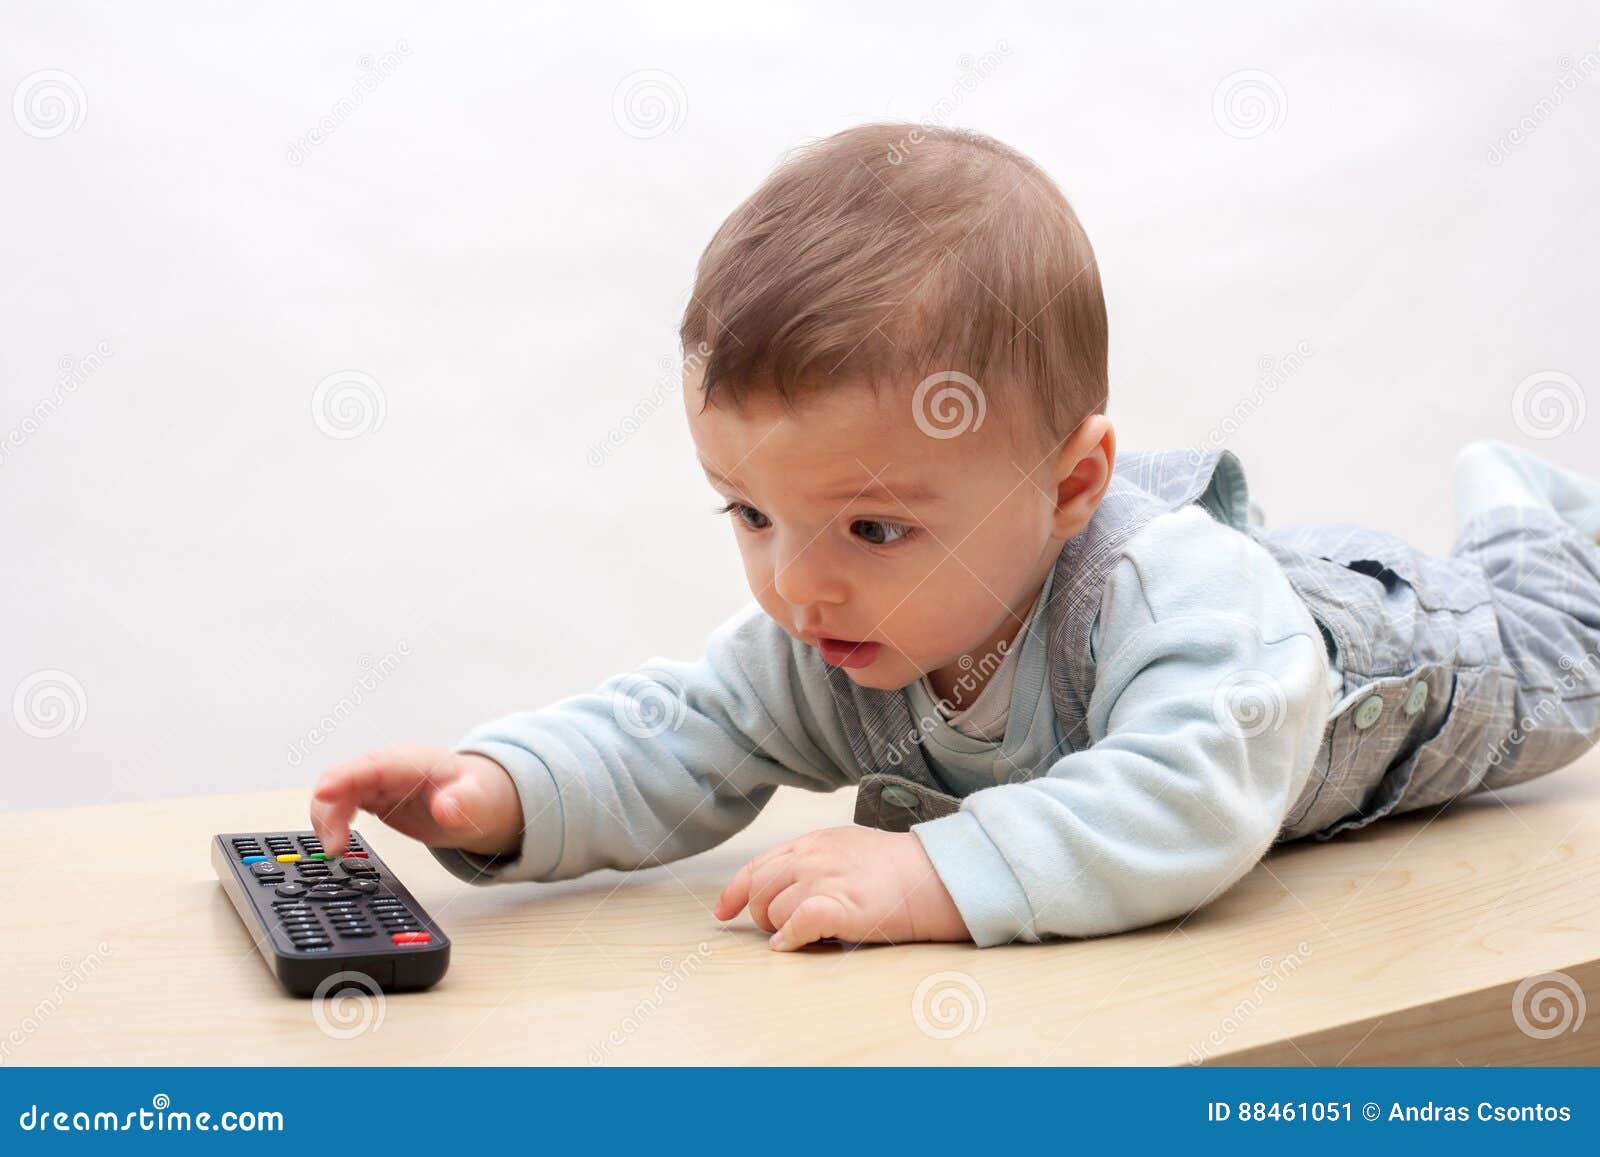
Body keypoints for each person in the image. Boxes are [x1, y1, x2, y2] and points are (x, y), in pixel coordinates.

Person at [309, 123, 1600, 950]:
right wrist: (502, 790)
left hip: (1413, 670)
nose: (798, 579)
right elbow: (681, 727)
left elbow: (1190, 798)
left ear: (1074, 480)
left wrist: (938, 872)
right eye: (751, 513)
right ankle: (1519, 519)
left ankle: (1538, 522)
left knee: (1557, 641)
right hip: (1282, 608)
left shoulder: (1171, 596)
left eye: (876, 524)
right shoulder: (833, 636)